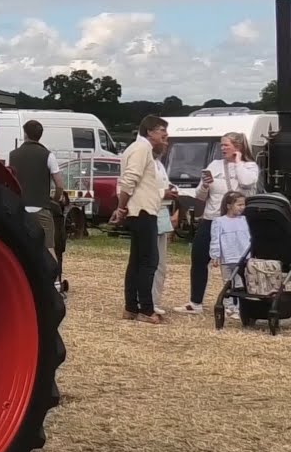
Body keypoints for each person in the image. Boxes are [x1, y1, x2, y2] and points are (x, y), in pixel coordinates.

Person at [175, 131, 261, 315]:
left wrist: (238, 161)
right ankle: (195, 302)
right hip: (211, 218)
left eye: (226, 145)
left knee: (235, 263)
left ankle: (238, 305)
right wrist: (205, 185)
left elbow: (246, 182)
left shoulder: (249, 166)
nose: (222, 148)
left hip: (235, 222)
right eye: (221, 145)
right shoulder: (214, 165)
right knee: (199, 258)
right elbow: (200, 195)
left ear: (237, 147)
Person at [110, 115, 169, 323]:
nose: (165, 135)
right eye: (162, 130)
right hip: (143, 210)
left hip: (139, 210)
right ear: (150, 131)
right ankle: (146, 309)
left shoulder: (136, 149)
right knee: (148, 261)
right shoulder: (142, 149)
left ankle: (131, 307)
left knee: (136, 261)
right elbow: (129, 180)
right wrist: (121, 207)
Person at [7, 119, 66, 263]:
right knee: (49, 248)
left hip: (20, 210)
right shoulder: (48, 155)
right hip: (41, 209)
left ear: (25, 134)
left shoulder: (13, 155)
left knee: (19, 248)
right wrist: (55, 199)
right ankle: (54, 276)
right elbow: (59, 185)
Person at [210, 191, 251, 319]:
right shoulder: (219, 221)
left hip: (242, 258)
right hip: (227, 258)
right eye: (239, 205)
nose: (242, 207)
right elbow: (215, 239)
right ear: (229, 206)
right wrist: (215, 255)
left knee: (240, 284)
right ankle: (228, 307)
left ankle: (239, 308)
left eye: (243, 205)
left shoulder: (245, 220)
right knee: (227, 283)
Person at [151, 145, 179, 315]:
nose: (166, 144)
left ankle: (155, 300)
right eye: (163, 139)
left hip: (162, 213)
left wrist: (172, 191)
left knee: (161, 264)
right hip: (150, 213)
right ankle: (147, 300)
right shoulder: (148, 162)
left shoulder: (160, 164)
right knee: (151, 261)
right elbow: (143, 190)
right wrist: (163, 193)